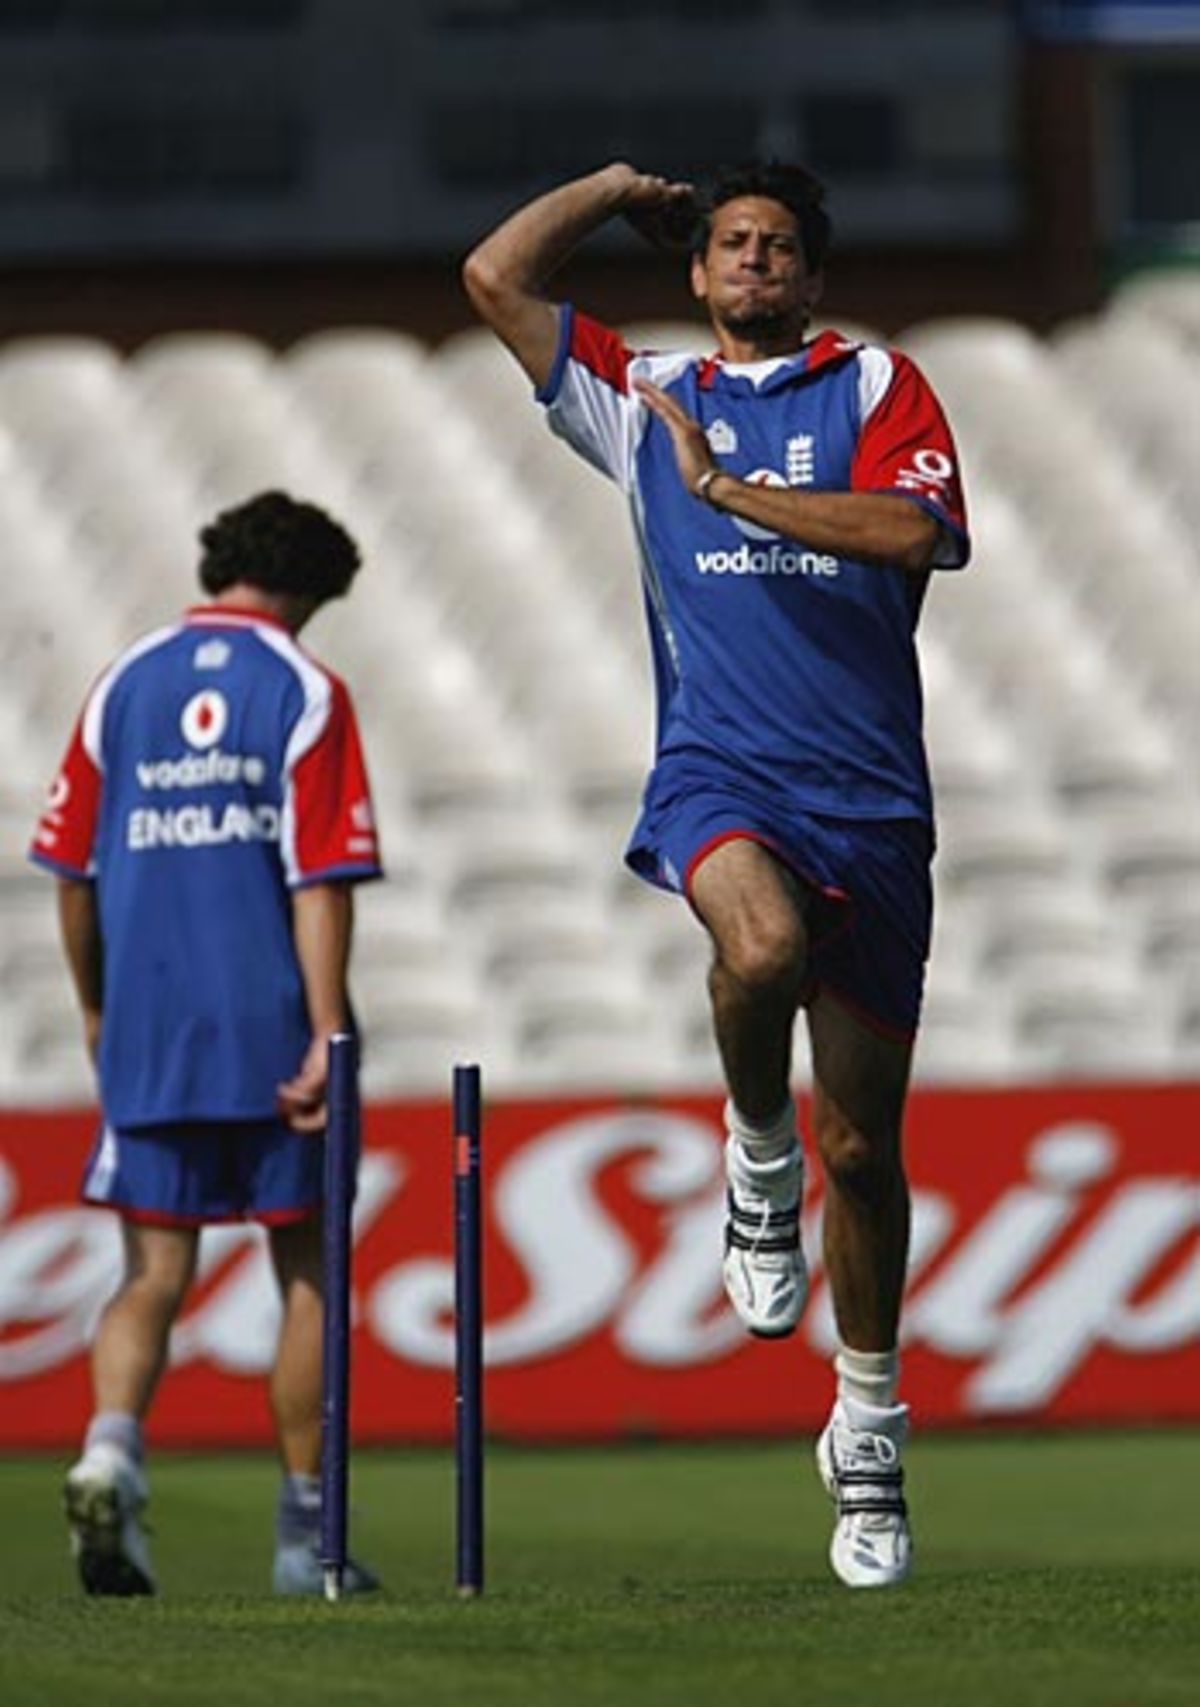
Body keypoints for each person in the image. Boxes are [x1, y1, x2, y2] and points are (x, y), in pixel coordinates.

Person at [463, 160, 970, 1588]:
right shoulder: (641, 394)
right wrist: (613, 186)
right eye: (732, 242)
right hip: (722, 774)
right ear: (697, 271)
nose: (753, 261)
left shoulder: (876, 386)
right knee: (753, 953)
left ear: (811, 275)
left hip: (870, 800)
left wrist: (728, 489)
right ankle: (756, 1159)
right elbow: (495, 279)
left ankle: (866, 1434)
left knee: (864, 1152)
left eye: (780, 246)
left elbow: (915, 532)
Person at [28, 489, 384, 1598]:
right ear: (311, 591)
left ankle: (110, 1453)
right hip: (269, 1023)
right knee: (309, 1269)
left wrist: (95, 1005)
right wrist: (328, 1027)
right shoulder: (305, 689)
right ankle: (304, 1538)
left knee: (152, 1271)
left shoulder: (122, 682)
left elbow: (72, 875)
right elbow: (321, 880)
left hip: (147, 1019)